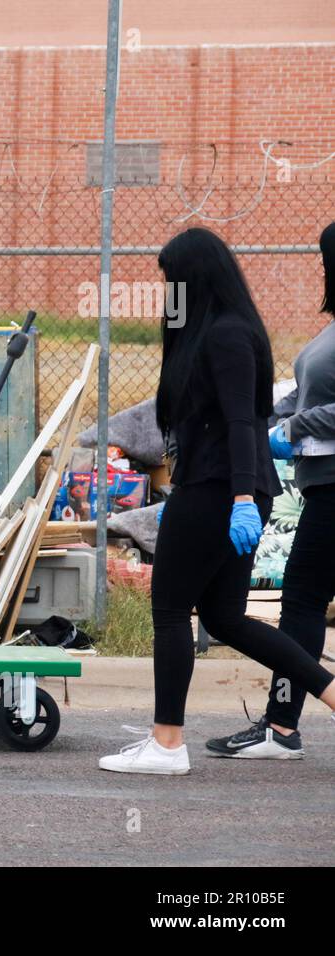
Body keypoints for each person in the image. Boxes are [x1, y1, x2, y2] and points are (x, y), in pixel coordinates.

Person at [98, 226, 335, 774]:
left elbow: (238, 422)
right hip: (226, 489)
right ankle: (329, 692)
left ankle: (166, 744)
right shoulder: (212, 330)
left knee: (170, 609)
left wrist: (241, 500)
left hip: (216, 491)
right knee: (226, 618)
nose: (167, 293)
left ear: (194, 278)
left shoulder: (227, 334)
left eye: (171, 281)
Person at [203, 221, 335, 758]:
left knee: (302, 602)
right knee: (303, 602)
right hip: (322, 485)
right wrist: (269, 419)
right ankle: (280, 726)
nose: (322, 269)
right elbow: (308, 397)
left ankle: (282, 727)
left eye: (326, 261)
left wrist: (291, 432)